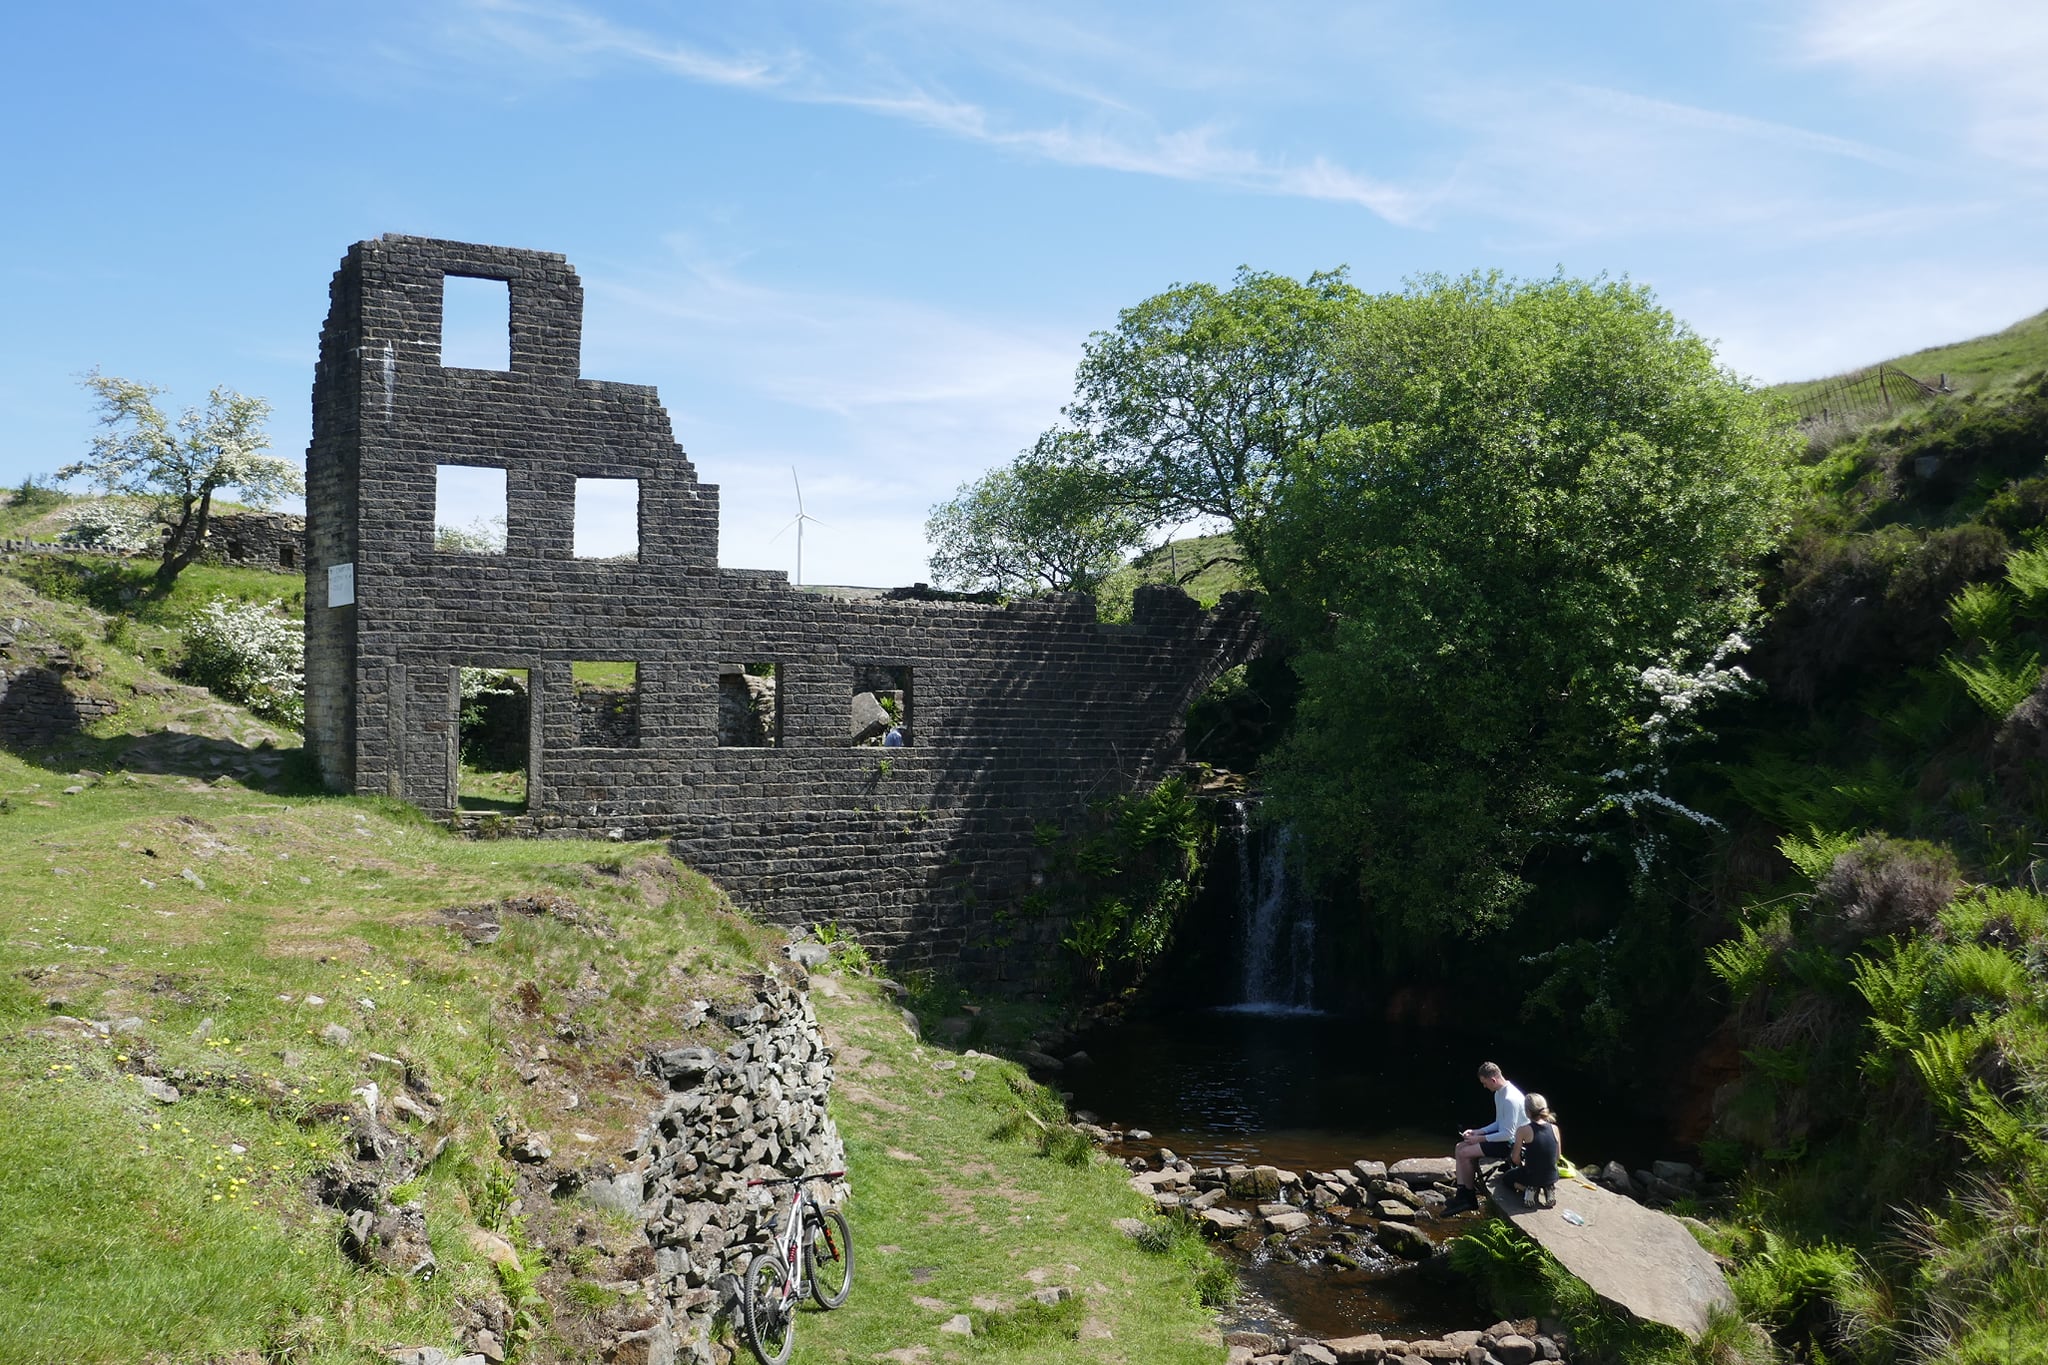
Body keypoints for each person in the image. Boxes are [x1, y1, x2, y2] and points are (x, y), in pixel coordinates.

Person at [1444, 1061, 1526, 1214]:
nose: (1484, 1086)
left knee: (1464, 1152)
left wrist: (1479, 1139)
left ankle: (1469, 1199)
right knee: (1459, 1147)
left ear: (1493, 1080)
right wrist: (1478, 1132)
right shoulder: (1499, 1093)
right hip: (1505, 1138)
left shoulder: (1510, 1099)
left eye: (1485, 1083)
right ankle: (1462, 1195)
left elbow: (1508, 1133)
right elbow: (1499, 1123)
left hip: (1513, 1144)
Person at [1505, 1093, 1562, 1209]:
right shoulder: (1555, 1128)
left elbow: (1515, 1157)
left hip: (1531, 1175)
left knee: (1507, 1178)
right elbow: (1557, 1156)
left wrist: (1521, 1165)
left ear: (1528, 1112)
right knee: (1542, 1174)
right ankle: (1547, 1187)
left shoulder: (1523, 1130)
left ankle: (1528, 1189)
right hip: (1551, 1175)